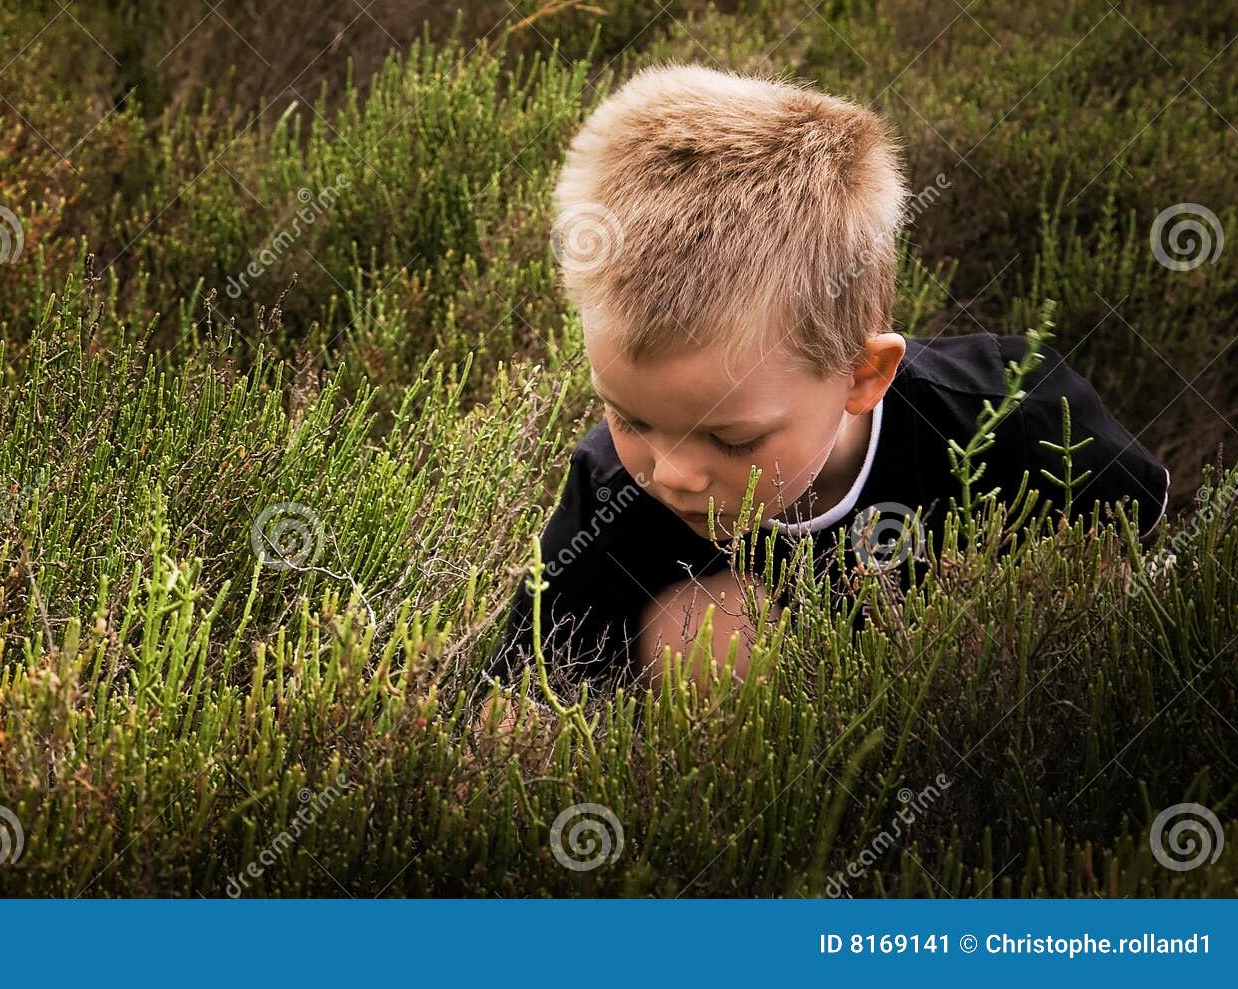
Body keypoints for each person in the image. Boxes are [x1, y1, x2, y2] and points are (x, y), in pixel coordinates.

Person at [482, 63, 1170, 698]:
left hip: (997, 738)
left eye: (729, 437)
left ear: (863, 374)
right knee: (709, 630)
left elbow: (1137, 594)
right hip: (762, 792)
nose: (671, 473)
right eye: (630, 419)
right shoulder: (610, 492)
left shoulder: (1019, 418)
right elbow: (514, 710)